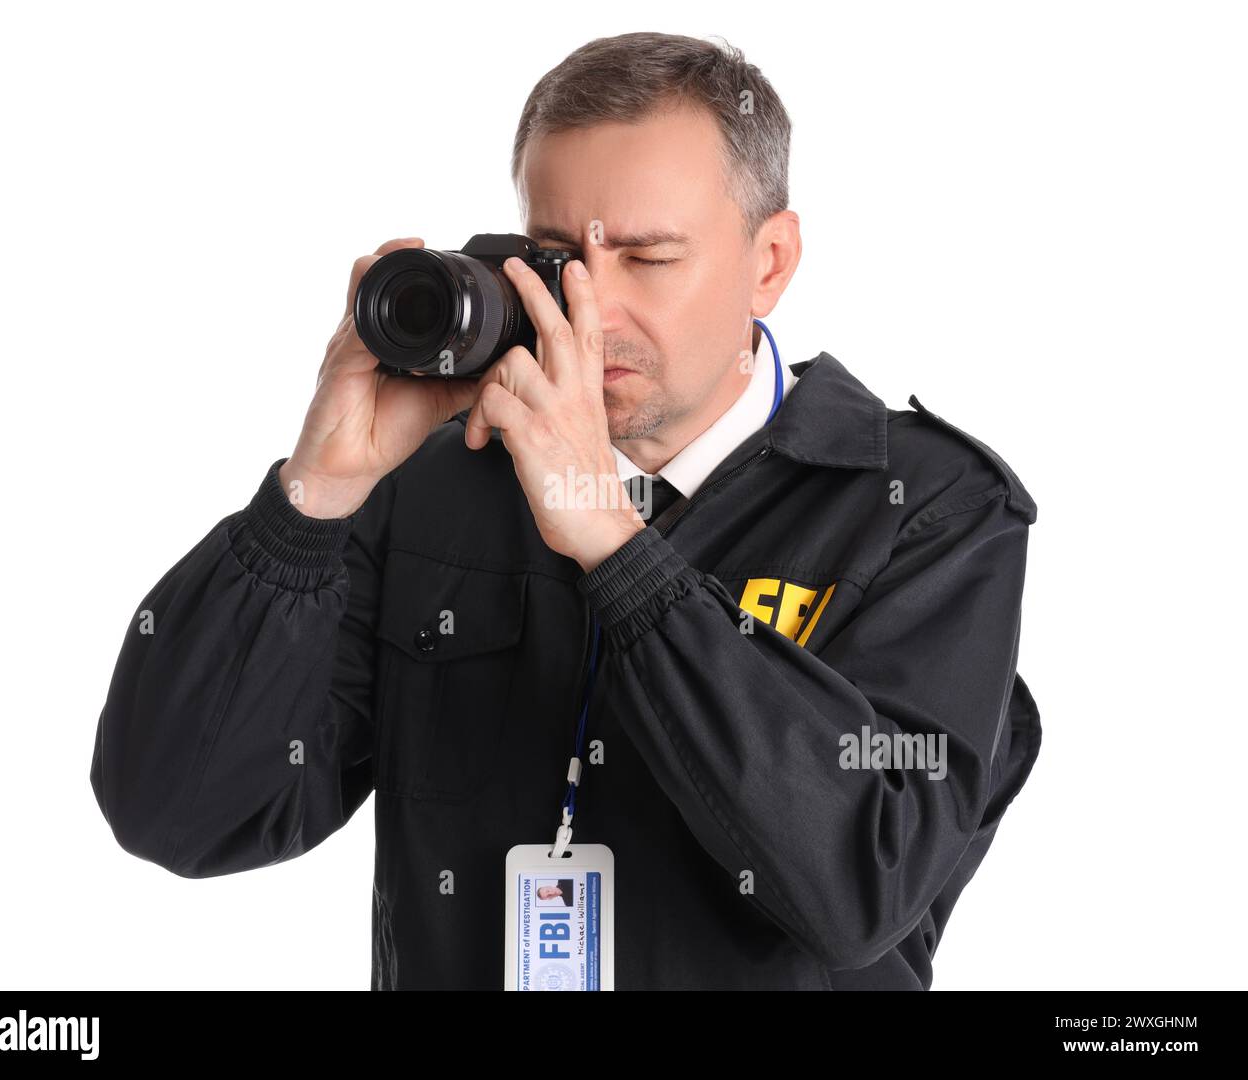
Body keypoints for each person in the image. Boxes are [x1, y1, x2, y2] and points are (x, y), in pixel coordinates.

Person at [90, 31, 1041, 990]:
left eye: (647, 258)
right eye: (554, 259)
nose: (591, 312)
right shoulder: (436, 485)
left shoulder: (928, 508)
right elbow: (180, 812)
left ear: (771, 262)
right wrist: (310, 506)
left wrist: (615, 548)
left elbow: (859, 883)